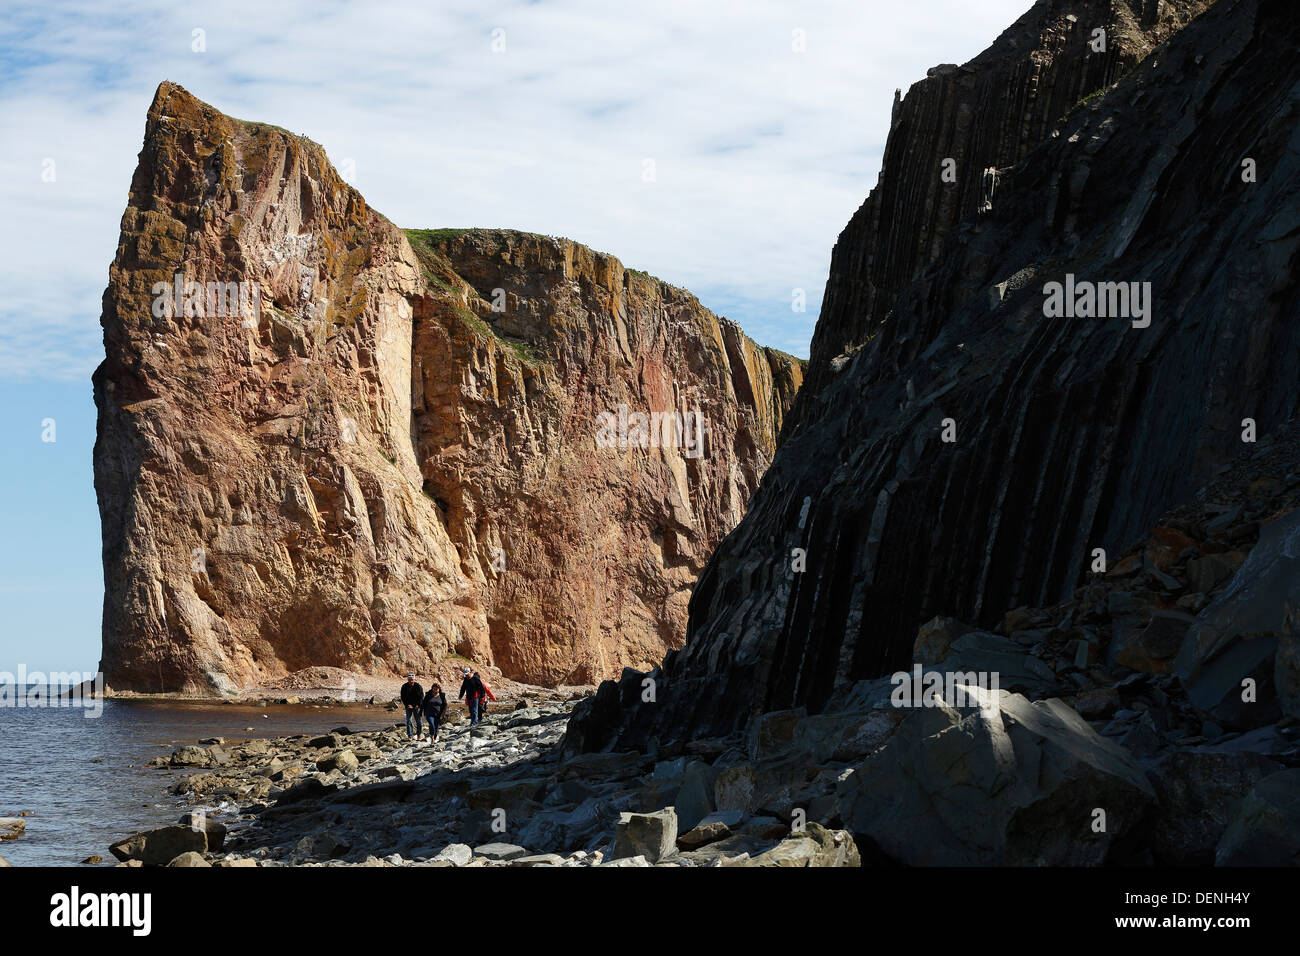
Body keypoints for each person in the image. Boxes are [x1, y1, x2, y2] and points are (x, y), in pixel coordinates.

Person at [400, 674, 425, 740]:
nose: (411, 681)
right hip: (408, 706)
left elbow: (421, 697)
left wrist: (418, 705)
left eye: (412, 680)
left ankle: (419, 735)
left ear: (414, 680)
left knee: (419, 721)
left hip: (417, 706)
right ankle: (410, 736)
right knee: (409, 721)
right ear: (408, 680)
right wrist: (407, 705)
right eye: (409, 680)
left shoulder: (418, 686)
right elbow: (403, 697)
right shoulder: (404, 686)